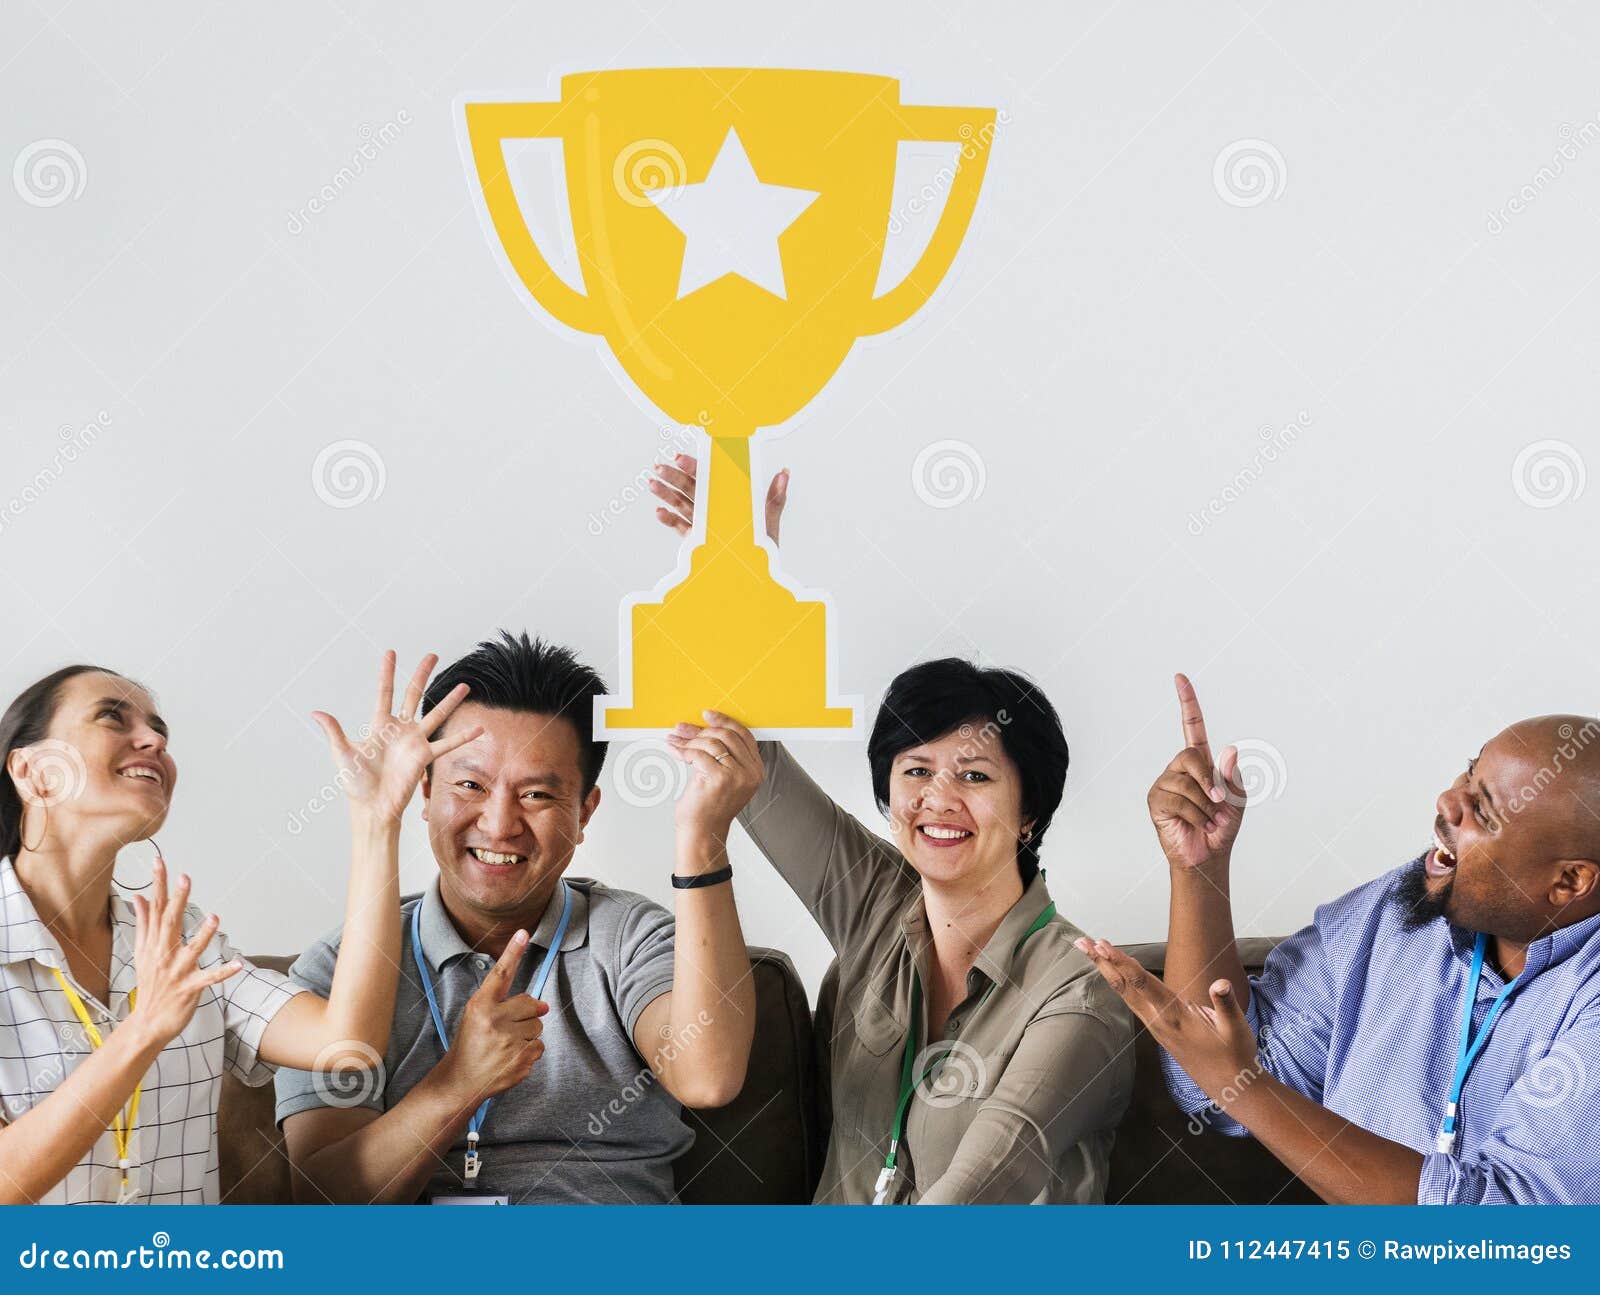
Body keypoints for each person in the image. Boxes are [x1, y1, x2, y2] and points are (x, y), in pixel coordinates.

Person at [653, 456, 1135, 1204]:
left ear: (1031, 811)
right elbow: (749, 763)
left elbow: (984, 1182)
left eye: (975, 776)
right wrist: (733, 572)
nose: (937, 798)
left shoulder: (1078, 994)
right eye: (915, 771)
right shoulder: (879, 904)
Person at [1078, 674, 1600, 1204]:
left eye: (1482, 810)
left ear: (1569, 882)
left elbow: (1511, 1247)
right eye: (1469, 771)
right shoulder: (1397, 913)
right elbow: (1214, 1090)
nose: (1447, 800)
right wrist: (1200, 870)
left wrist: (1247, 1086)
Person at [274, 632, 755, 1205]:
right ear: (423, 791)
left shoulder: (628, 937)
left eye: (536, 796)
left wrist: (702, 837)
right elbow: (323, 1201)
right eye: (470, 785)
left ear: (585, 811)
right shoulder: (338, 968)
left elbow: (709, 1076)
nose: (499, 825)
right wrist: (459, 1084)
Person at [0, 651, 473, 1204]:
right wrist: (140, 1032)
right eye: (113, 718)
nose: (153, 741)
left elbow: (346, 1043)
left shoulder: (183, 942)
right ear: (33, 772)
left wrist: (376, 821)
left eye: (159, 730)